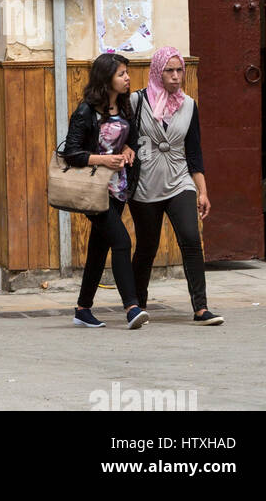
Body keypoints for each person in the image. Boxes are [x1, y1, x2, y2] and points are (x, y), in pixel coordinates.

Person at [129, 47, 223, 325]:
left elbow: (194, 152)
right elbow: (122, 136)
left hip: (180, 181)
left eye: (179, 70)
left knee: (191, 239)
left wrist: (203, 191)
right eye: (169, 71)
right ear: (158, 72)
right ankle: (137, 306)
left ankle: (201, 308)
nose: (175, 76)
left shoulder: (189, 105)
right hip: (145, 185)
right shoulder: (137, 101)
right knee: (147, 246)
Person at [63, 53, 147, 329]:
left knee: (99, 247)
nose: (127, 78)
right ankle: (132, 307)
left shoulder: (124, 107)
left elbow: (130, 139)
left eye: (127, 73)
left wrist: (127, 150)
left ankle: (82, 308)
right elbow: (72, 153)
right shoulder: (86, 111)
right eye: (122, 74)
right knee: (122, 241)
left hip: (118, 188)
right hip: (93, 190)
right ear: (106, 78)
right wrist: (103, 160)